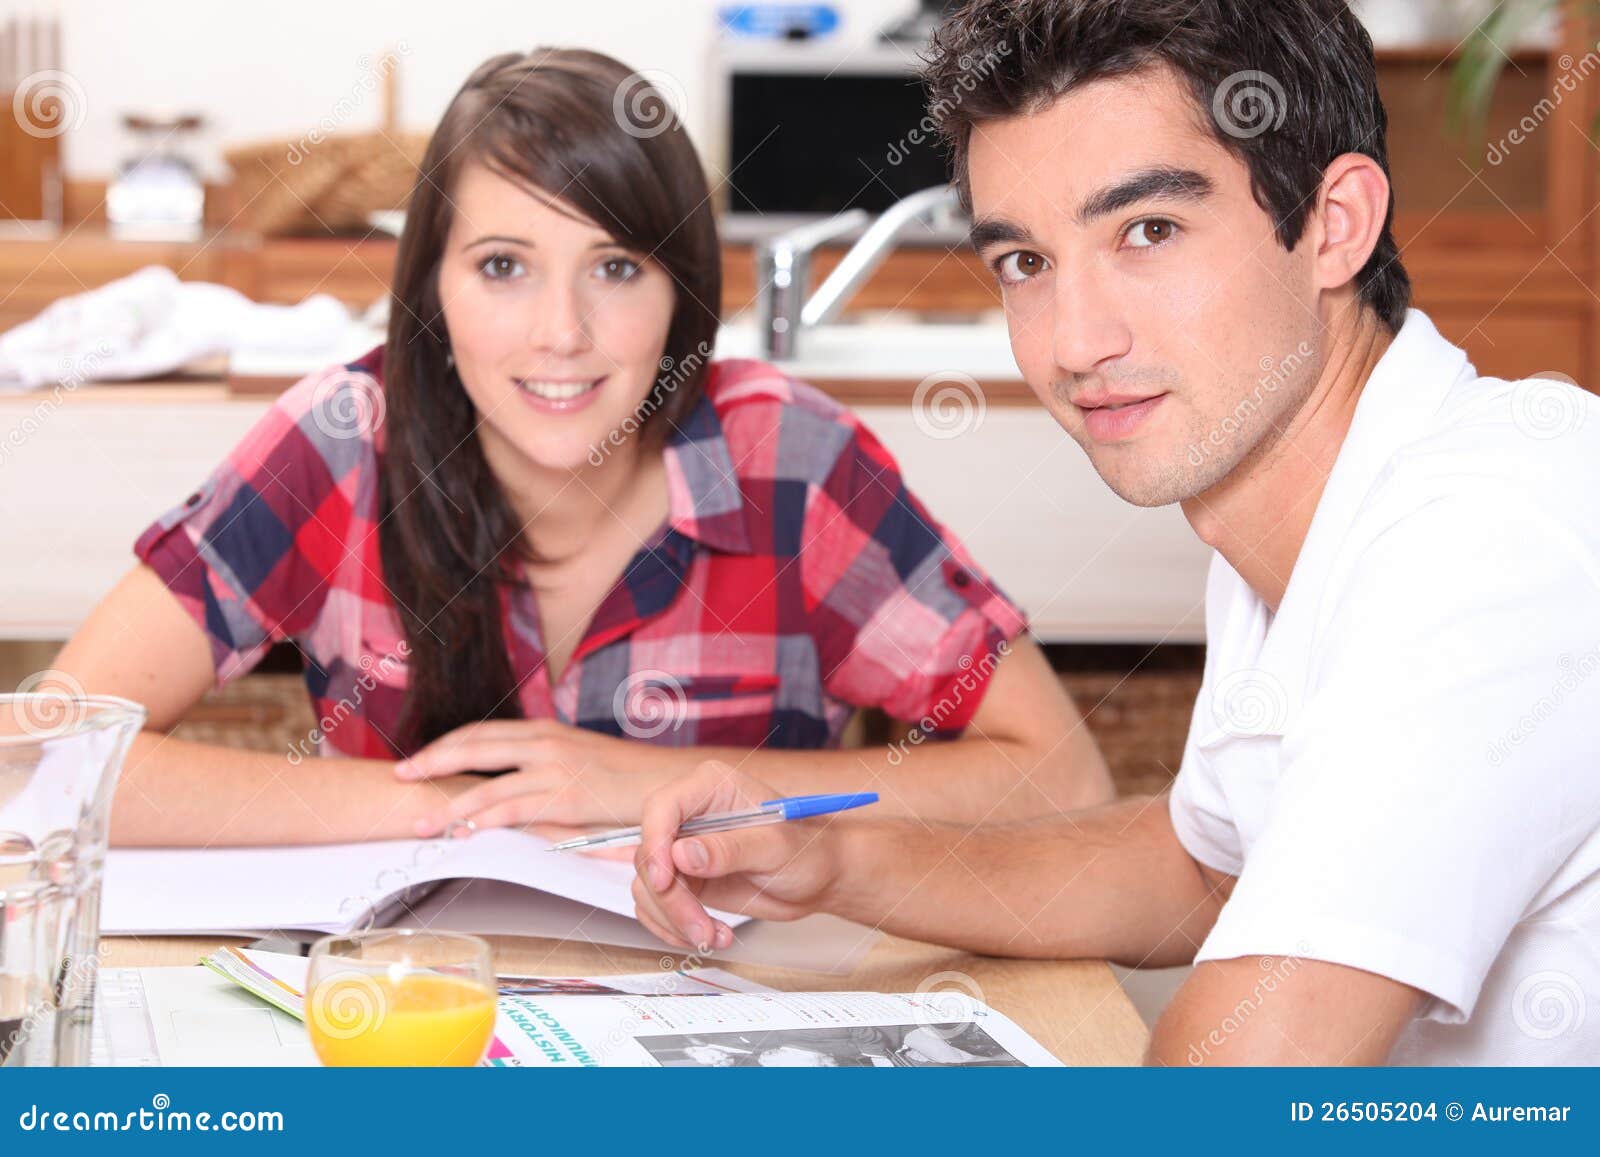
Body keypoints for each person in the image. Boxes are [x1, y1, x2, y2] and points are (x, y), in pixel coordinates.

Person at [629, 0, 1600, 1065]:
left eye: (1147, 231)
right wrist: (827, 857)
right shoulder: (1295, 509)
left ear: (1335, 224)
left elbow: (1232, 1092)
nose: (1074, 342)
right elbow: (1205, 868)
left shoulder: (1490, 536)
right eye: (1025, 263)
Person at [51, 48, 1110, 848]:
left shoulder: (790, 457)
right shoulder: (339, 440)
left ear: (683, 293)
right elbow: (52, 757)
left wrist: (654, 786)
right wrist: (465, 805)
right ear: (432, 289)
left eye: (615, 268)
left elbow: (1059, 779)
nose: (560, 333)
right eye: (504, 266)